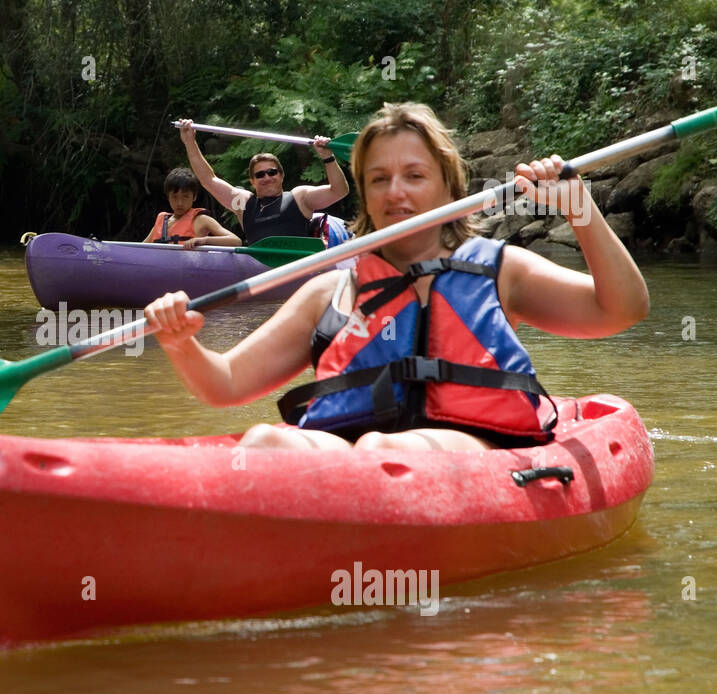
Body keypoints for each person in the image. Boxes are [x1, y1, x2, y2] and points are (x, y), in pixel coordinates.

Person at [145, 102, 650, 453]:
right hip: (351, 456)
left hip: (465, 452)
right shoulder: (329, 291)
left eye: (414, 175)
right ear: (363, 193)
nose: (395, 192)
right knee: (264, 440)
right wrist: (180, 343)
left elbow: (620, 309)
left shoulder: (499, 269)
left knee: (400, 449)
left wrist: (582, 212)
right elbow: (226, 384)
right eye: (379, 179)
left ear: (448, 185)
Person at [176, 118, 351, 244]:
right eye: (260, 175)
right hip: (260, 274)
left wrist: (328, 157)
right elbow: (209, 180)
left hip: (298, 269)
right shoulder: (242, 203)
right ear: (252, 181)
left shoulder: (300, 197)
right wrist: (189, 141)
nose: (267, 178)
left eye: (272, 172)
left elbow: (339, 190)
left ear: (281, 175)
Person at [143, 168, 243, 248]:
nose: (180, 203)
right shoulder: (162, 220)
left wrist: (205, 240)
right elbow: (140, 248)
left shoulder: (201, 220)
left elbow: (236, 241)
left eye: (185, 197)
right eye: (174, 197)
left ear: (194, 197)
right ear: (168, 197)